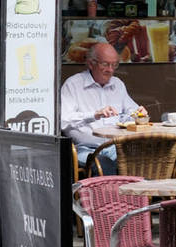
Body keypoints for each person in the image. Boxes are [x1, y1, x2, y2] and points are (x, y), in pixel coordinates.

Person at [60, 42, 140, 175]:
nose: (110, 69)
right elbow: (63, 121)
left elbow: (131, 109)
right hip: (86, 149)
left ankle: (143, 196)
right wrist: (94, 115)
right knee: (104, 164)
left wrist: (138, 113)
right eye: (105, 64)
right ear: (91, 64)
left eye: (114, 64)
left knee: (143, 160)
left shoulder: (117, 84)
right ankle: (110, 196)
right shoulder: (73, 85)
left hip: (116, 147)